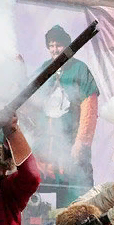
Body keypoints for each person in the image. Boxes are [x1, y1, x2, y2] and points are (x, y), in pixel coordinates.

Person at [34, 24, 99, 204]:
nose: (55, 49)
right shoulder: (44, 68)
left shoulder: (80, 69)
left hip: (71, 143)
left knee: (75, 192)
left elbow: (89, 108)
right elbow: (30, 103)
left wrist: (80, 144)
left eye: (59, 45)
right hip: (45, 146)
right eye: (51, 45)